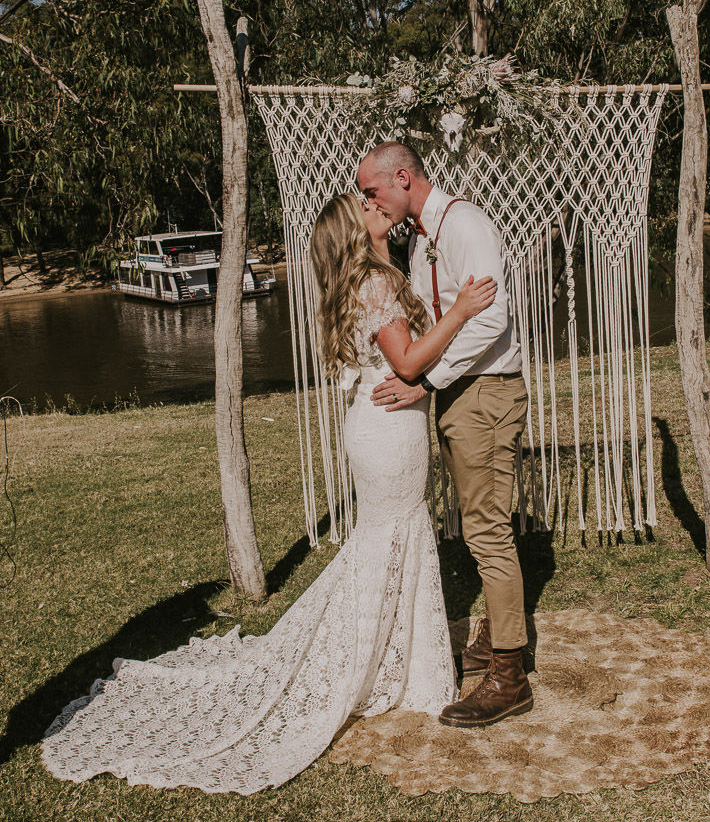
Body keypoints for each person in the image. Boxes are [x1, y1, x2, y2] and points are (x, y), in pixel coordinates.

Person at [42, 193, 496, 794]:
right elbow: (409, 363)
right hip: (386, 432)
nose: (373, 206)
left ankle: (403, 663)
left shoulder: (376, 275)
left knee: (392, 540)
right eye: (363, 205)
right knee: (388, 540)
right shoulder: (372, 285)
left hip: (384, 425)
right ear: (353, 232)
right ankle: (376, 664)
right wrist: (462, 311)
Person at [357, 141, 532, 728]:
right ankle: (502, 634)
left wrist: (428, 380)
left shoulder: (466, 225)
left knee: (486, 531)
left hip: (485, 391)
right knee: (478, 523)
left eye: (372, 190)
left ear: (402, 178)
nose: (368, 202)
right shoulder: (423, 238)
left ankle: (509, 672)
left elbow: (490, 317)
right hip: (464, 392)